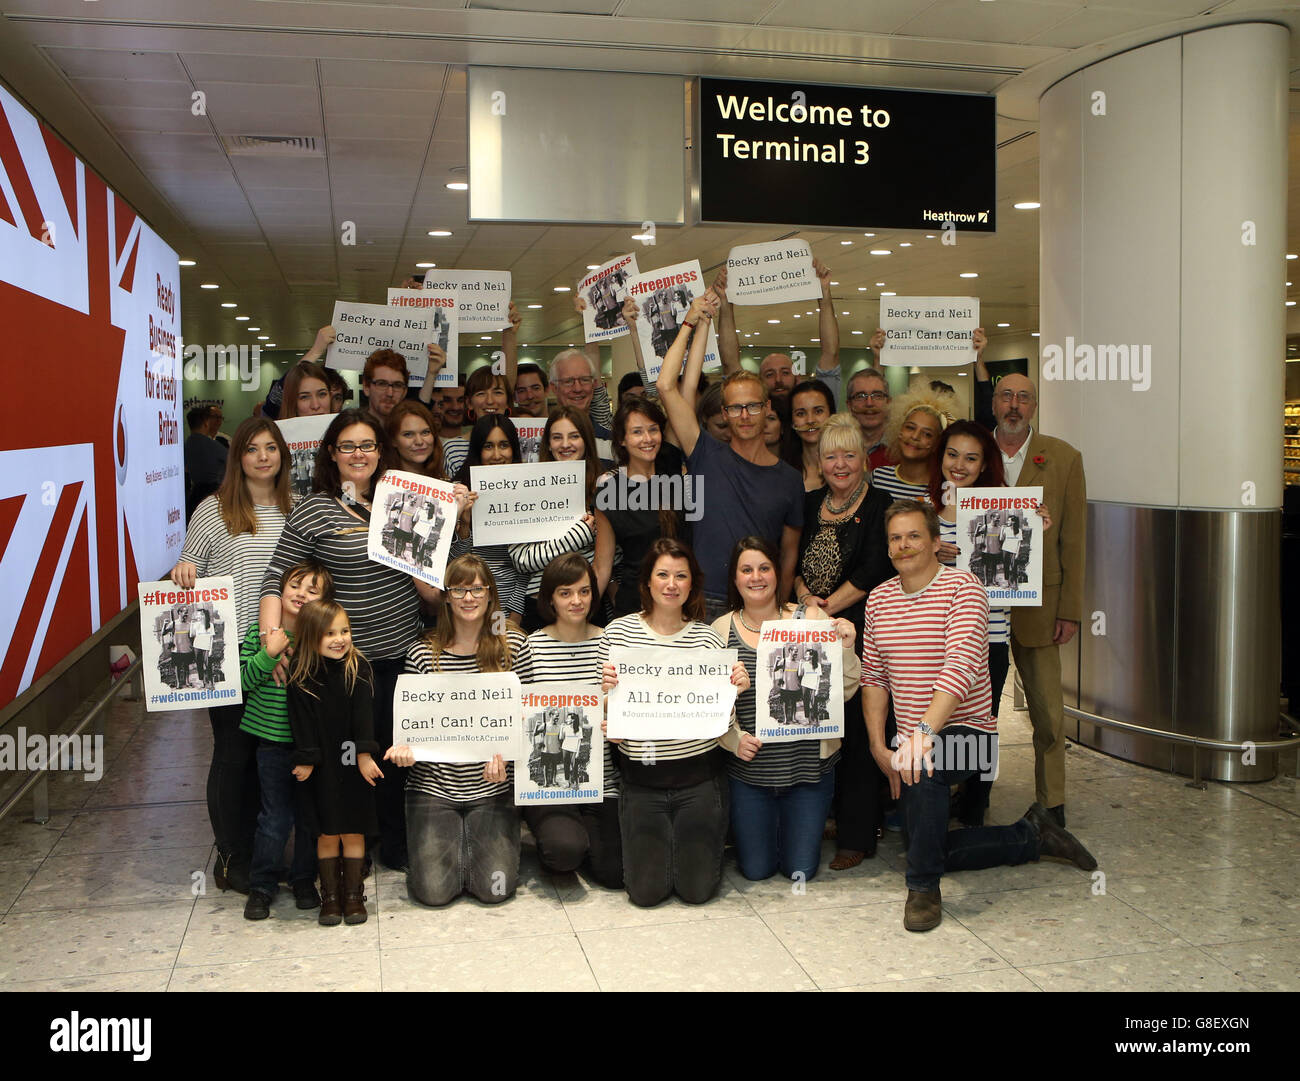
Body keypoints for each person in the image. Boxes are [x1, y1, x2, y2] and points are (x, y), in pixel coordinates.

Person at [862, 499, 1095, 932]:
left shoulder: (964, 587)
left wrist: (923, 734)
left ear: (936, 542)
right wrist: (879, 745)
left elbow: (961, 666)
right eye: (895, 538)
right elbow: (874, 678)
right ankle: (1032, 835)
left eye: (914, 536)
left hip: (969, 734)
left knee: (926, 772)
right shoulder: (879, 600)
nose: (904, 545)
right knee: (925, 842)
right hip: (913, 740)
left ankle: (924, 889)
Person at [260, 409, 443, 872]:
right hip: (342, 662)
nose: (358, 454)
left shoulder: (404, 499)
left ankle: (395, 844)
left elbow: (431, 590)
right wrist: (272, 640)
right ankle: (352, 849)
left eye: (368, 446)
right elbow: (275, 580)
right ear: (331, 454)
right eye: (348, 446)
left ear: (382, 453)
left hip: (401, 652)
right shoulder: (314, 509)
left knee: (395, 753)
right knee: (349, 758)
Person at [172, 416, 292, 893]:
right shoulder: (214, 510)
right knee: (233, 755)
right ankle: (232, 857)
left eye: (271, 448)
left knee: (274, 755)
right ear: (236, 457)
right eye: (252, 449)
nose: (262, 457)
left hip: (283, 652)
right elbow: (188, 573)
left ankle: (267, 852)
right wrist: (183, 569)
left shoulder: (297, 509)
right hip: (228, 657)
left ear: (283, 455)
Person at [599, 538, 750, 906]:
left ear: (692, 584)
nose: (671, 584)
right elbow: (608, 718)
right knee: (646, 894)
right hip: (641, 781)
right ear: (647, 582)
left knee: (696, 893)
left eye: (681, 576)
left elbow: (718, 721)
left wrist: (734, 692)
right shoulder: (617, 634)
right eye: (662, 574)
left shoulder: (708, 639)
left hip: (699, 780)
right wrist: (607, 703)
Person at [386, 556, 532, 906]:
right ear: (446, 597)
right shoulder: (422, 652)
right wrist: (407, 751)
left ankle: (474, 844)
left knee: (494, 891)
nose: (469, 597)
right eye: (459, 589)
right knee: (434, 894)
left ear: (490, 594)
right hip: (433, 788)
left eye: (477, 588)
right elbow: (413, 727)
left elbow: (528, 722)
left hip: (493, 786)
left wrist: (507, 764)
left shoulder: (513, 648)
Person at [712, 537, 857, 882]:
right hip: (750, 775)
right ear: (734, 578)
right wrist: (732, 739)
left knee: (799, 871)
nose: (756, 577)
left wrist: (847, 649)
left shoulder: (811, 618)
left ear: (778, 574)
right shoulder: (720, 630)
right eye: (746, 570)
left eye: (764, 568)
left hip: (807, 771)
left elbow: (847, 690)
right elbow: (707, 705)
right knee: (756, 871)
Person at [656, 291, 803, 619]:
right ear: (724, 412)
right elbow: (667, 386)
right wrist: (692, 323)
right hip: (703, 601)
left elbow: (789, 555)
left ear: (767, 408)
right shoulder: (705, 452)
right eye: (736, 408)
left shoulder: (790, 480)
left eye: (752, 405)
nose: (745, 415)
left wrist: (776, 609)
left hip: (759, 603)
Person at [791, 413, 892, 868]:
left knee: (855, 730)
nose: (840, 464)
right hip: (809, 628)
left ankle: (858, 834)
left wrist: (827, 607)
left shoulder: (880, 505)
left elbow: (874, 568)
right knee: (818, 725)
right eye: (830, 455)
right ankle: (828, 817)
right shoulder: (810, 503)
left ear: (864, 458)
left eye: (849, 454)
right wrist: (807, 600)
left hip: (858, 631)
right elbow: (789, 563)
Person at [991, 374, 1086, 827]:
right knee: (969, 708)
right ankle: (965, 796)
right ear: (994, 403)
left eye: (1023, 398)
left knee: (1048, 713)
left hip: (1041, 604)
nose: (1014, 405)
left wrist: (1069, 609)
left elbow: (1074, 541)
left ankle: (1052, 805)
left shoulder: (1064, 458)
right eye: (1006, 396)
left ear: (1034, 407)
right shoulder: (970, 451)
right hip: (976, 604)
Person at [239, 561, 333, 920]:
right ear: (279, 591)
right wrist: (268, 652)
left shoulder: (320, 640)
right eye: (295, 585)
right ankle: (261, 885)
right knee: (274, 819)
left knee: (310, 818)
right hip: (272, 746)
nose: (301, 594)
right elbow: (242, 682)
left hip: (312, 747)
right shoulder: (259, 635)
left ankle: (304, 880)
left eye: (312, 590)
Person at [522, 554, 622, 887]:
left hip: (602, 780)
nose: (576, 601)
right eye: (565, 593)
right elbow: (519, 719)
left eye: (584, 591)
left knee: (614, 873)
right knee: (563, 853)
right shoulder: (531, 647)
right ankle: (563, 839)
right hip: (551, 786)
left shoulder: (611, 643)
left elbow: (623, 710)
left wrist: (615, 721)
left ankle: (583, 839)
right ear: (549, 597)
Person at [288, 600, 383, 926]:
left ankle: (354, 895)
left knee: (353, 830)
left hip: (353, 766)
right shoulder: (301, 673)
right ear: (311, 636)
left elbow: (364, 717)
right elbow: (300, 722)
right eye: (330, 633)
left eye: (344, 631)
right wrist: (307, 759)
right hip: (323, 766)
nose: (340, 639)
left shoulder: (359, 667)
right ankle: (330, 896)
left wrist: (364, 754)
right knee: (327, 832)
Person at [510, 407, 613, 631]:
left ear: (586, 440)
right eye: (557, 437)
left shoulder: (604, 486)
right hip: (540, 605)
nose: (565, 444)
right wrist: (578, 536)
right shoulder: (528, 488)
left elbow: (614, 558)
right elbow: (522, 560)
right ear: (547, 443)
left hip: (589, 604)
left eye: (574, 436)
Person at [598, 398, 689, 620]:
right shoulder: (609, 492)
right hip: (634, 607)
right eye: (637, 432)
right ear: (622, 439)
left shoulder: (680, 480)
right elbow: (602, 566)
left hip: (683, 603)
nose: (647, 439)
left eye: (653, 430)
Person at [451, 414, 526, 621]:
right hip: (466, 605)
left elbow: (526, 564)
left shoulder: (527, 490)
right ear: (477, 450)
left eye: (503, 445)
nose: (496, 455)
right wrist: (464, 525)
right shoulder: (458, 492)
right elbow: (454, 565)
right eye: (488, 446)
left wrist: (515, 613)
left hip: (509, 607)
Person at [871, 385, 954, 501]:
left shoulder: (944, 489)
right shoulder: (878, 477)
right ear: (899, 430)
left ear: (937, 444)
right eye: (910, 428)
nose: (915, 436)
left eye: (927, 434)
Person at [787, 379, 836, 490]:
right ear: (791, 421)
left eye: (818, 411)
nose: (810, 420)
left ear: (831, 414)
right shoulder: (783, 471)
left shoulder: (846, 466)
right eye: (801, 413)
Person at [845, 365, 893, 470]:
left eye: (877, 395)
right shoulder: (839, 446)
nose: (869, 403)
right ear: (849, 405)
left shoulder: (901, 449)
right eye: (860, 396)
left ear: (889, 402)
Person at [184, 405, 228, 517]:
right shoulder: (214, 446)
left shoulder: (186, 445)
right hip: (214, 496)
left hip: (194, 496)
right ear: (206, 423)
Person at [384, 400, 444, 481]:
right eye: (408, 434)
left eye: (425, 432)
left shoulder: (444, 480)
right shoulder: (381, 483)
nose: (419, 442)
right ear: (393, 440)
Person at [361, 349, 409, 422]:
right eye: (382, 384)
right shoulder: (353, 431)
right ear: (366, 387)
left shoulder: (412, 429)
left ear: (405, 391)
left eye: (397, 385)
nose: (390, 393)